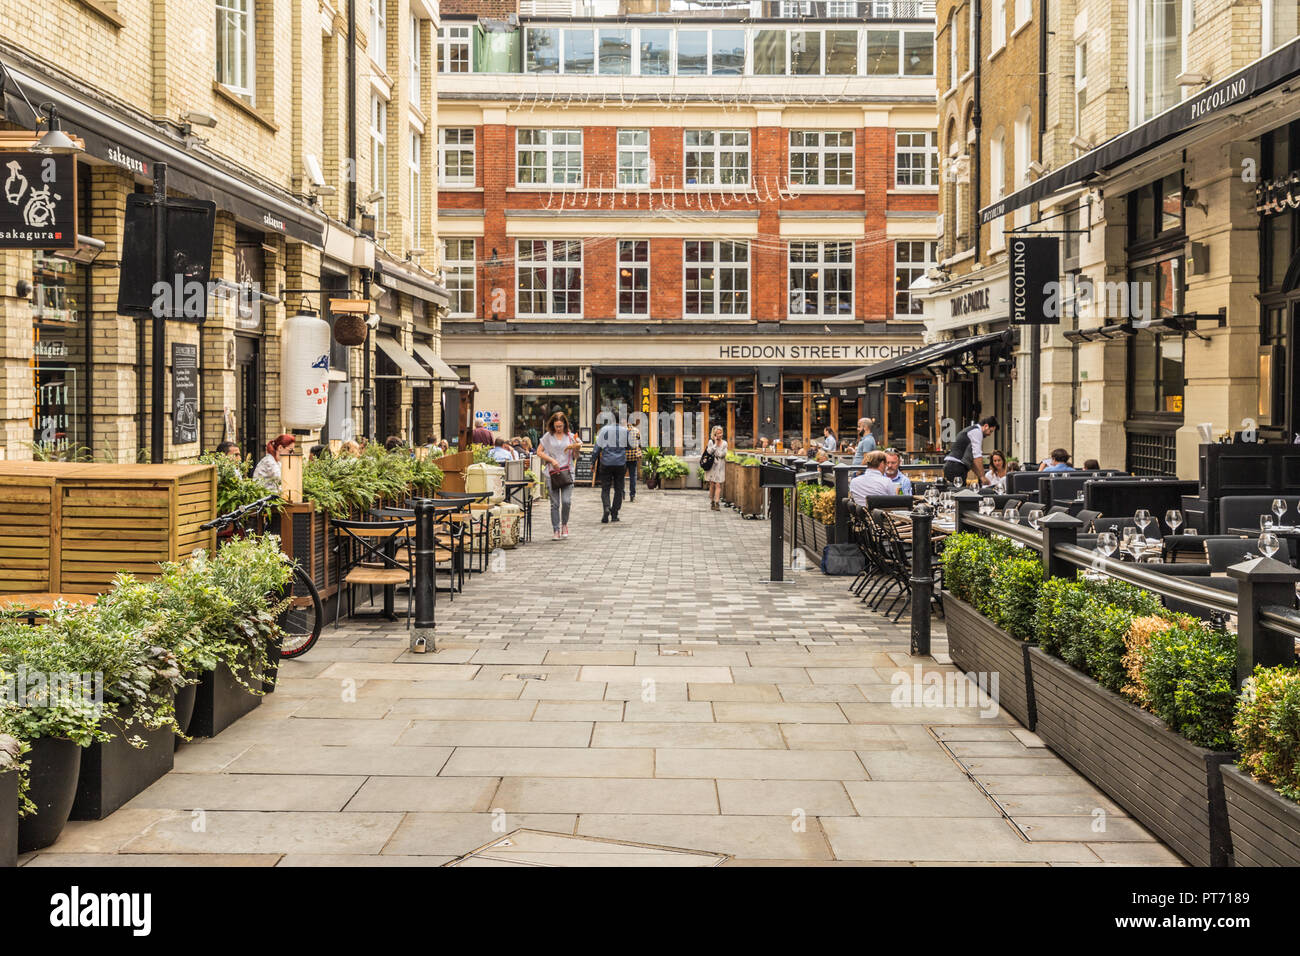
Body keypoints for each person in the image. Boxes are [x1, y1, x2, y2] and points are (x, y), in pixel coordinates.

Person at [537, 412, 581, 540]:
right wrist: (551, 460)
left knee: (566, 501)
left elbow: (575, 456)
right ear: (552, 425)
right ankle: (556, 529)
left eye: (560, 426)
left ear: (565, 425)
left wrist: (577, 447)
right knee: (554, 503)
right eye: (556, 426)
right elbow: (539, 451)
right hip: (553, 473)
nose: (558, 428)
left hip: (567, 472)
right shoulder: (548, 436)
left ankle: (564, 524)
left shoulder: (571, 436)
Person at [594, 416, 631, 523]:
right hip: (620, 463)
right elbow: (630, 446)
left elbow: (597, 448)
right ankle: (614, 514)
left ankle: (606, 508)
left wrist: (592, 462)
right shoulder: (625, 431)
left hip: (606, 462)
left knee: (605, 488)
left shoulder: (603, 430)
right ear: (621, 420)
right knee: (618, 489)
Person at [942, 416, 997, 486]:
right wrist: (983, 476)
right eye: (990, 431)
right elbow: (977, 456)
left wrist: (980, 476)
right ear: (986, 426)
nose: (989, 434)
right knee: (960, 494)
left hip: (952, 466)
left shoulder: (972, 430)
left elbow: (973, 462)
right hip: (956, 466)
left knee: (959, 493)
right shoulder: (977, 432)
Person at [704, 425, 727, 511]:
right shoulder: (711, 442)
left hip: (720, 467)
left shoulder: (724, 443)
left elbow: (722, 454)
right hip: (712, 467)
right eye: (718, 433)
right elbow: (709, 452)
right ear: (714, 434)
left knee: (718, 484)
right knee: (712, 484)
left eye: (721, 433)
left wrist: (716, 451)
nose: (720, 435)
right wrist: (715, 445)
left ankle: (717, 503)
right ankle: (712, 501)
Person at [626, 424, 643, 503]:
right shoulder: (636, 431)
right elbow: (640, 442)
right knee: (633, 476)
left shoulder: (623, 431)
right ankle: (632, 495)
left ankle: (622, 493)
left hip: (624, 455)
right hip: (633, 455)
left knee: (621, 476)